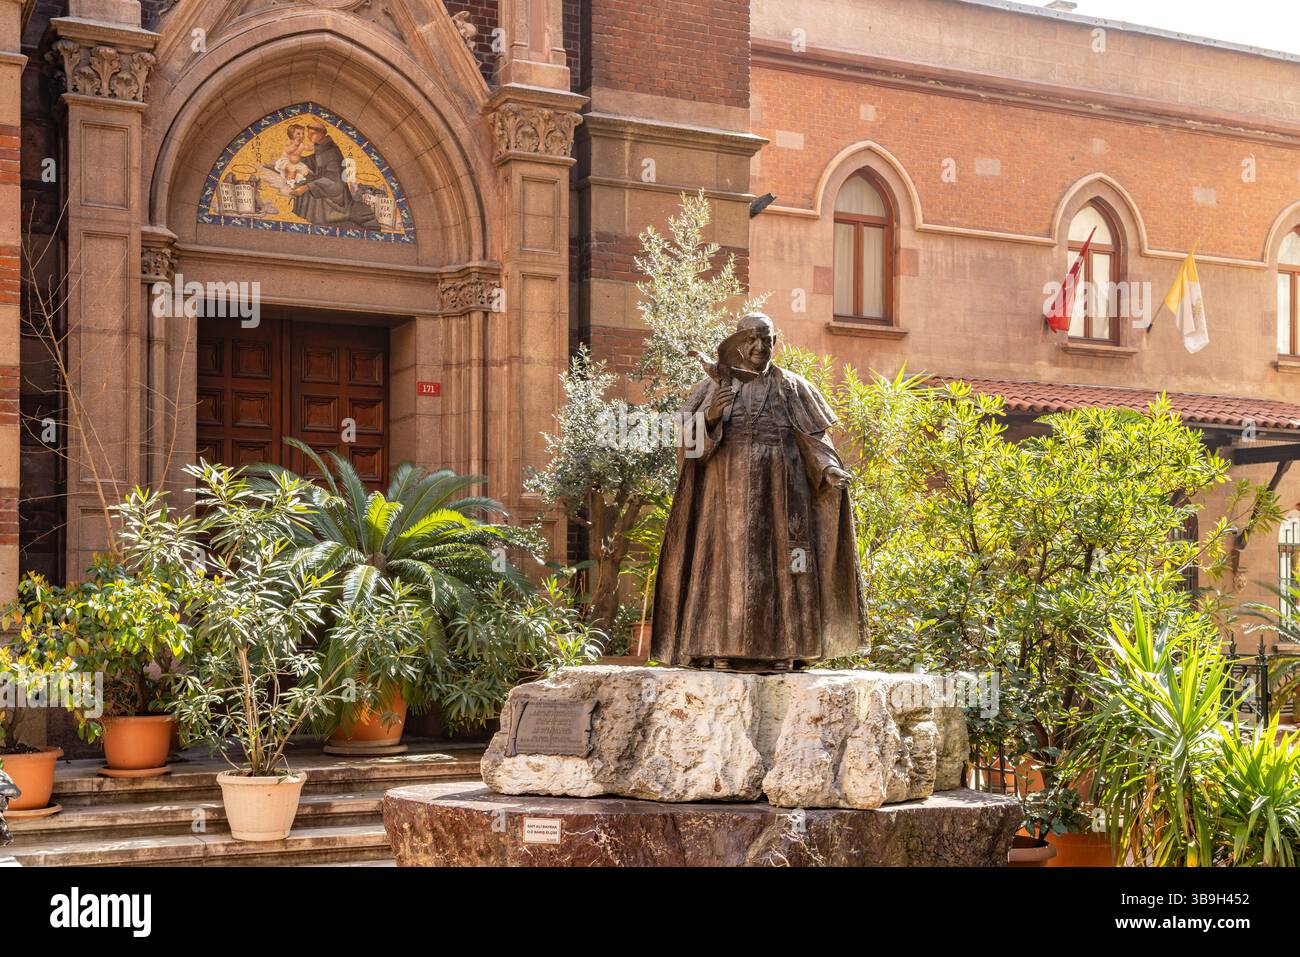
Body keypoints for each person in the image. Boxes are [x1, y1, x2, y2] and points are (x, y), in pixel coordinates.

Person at [651, 312, 866, 672]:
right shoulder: (710, 389)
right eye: (751, 340)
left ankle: (786, 649)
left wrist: (828, 470)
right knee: (723, 569)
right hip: (725, 496)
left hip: (784, 493)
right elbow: (687, 447)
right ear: (737, 344)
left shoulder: (793, 387)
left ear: (775, 343)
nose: (758, 347)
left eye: (765, 340)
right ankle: (718, 646)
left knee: (788, 567)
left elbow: (814, 439)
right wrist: (710, 418)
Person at [290, 121, 380, 229]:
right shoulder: (322, 147)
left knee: (306, 191)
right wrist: (300, 161)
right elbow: (316, 161)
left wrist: (307, 187)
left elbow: (334, 181)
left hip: (336, 197)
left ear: (322, 134)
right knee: (302, 184)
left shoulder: (331, 151)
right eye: (308, 134)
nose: (309, 137)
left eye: (312, 134)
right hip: (323, 186)